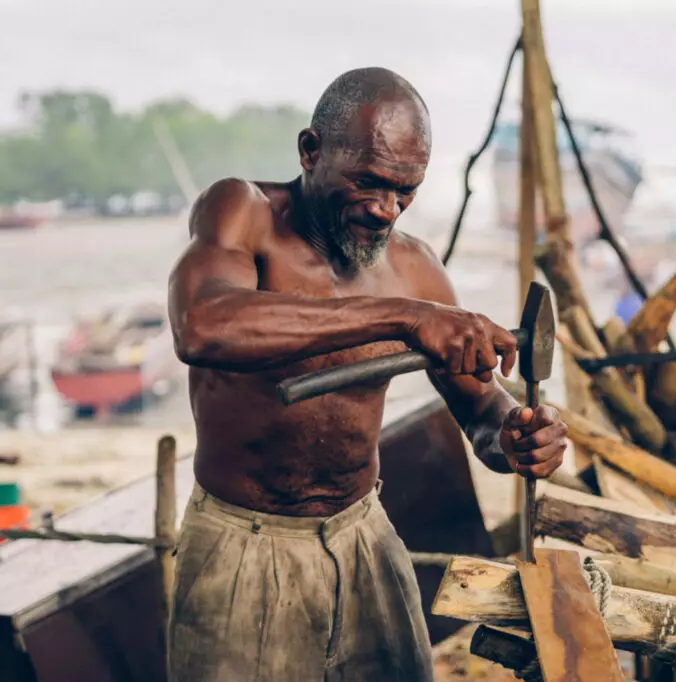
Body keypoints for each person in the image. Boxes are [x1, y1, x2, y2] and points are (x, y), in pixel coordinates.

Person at [166, 67, 568, 682]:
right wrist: (405, 320)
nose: (385, 209)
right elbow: (203, 325)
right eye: (368, 182)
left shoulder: (415, 268)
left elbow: (481, 411)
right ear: (310, 151)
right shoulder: (241, 212)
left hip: (363, 535)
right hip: (242, 541)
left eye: (405, 190)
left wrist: (516, 433)